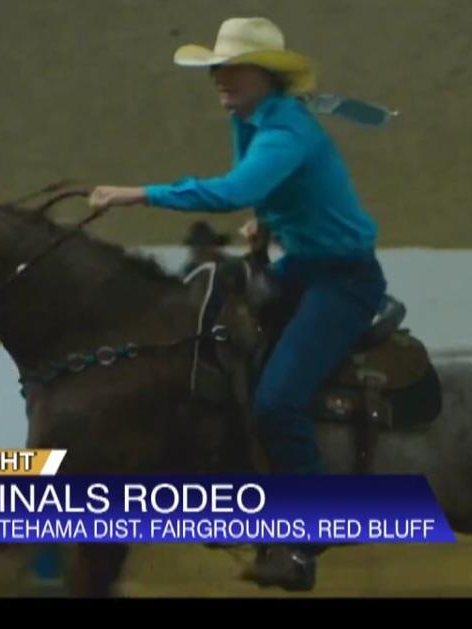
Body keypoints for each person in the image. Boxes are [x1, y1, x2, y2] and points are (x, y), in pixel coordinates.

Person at [89, 17, 387, 588]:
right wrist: (268, 222)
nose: (220, 79)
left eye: (232, 69)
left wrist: (138, 194)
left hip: (343, 279)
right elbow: (265, 189)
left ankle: (310, 527)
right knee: (223, 353)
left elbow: (233, 190)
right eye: (216, 71)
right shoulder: (254, 120)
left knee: (277, 402)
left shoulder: (283, 131)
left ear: (266, 76)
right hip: (303, 264)